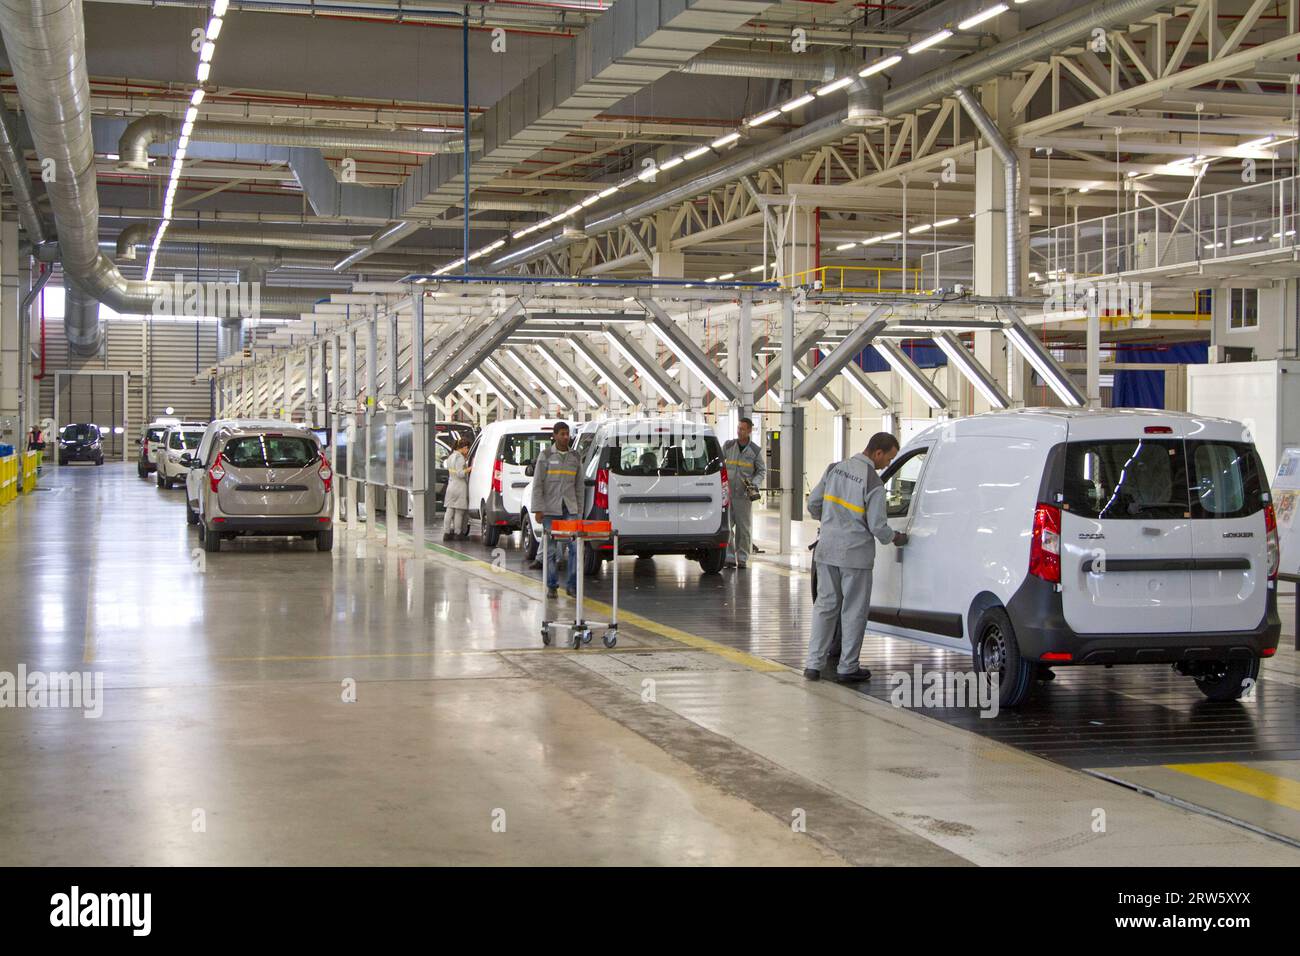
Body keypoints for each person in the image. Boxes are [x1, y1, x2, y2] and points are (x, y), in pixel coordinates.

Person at [803, 432, 906, 683]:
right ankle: (847, 667)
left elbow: (813, 504)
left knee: (825, 607)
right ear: (878, 453)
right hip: (855, 555)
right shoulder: (873, 482)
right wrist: (896, 537)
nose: (887, 465)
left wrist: (830, 523)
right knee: (853, 610)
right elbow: (878, 526)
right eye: (889, 459)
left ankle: (813, 665)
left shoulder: (834, 469)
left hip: (826, 550)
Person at [533, 421, 585, 598]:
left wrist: (579, 512)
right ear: (554, 436)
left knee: (574, 548)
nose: (565, 437)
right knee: (551, 550)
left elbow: (579, 487)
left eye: (567, 433)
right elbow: (538, 484)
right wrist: (538, 509)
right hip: (550, 510)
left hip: (570, 510)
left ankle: (572, 585)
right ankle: (552, 585)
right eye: (562, 434)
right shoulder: (545, 456)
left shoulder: (575, 457)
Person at [722, 417, 766, 569]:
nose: (739, 431)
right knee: (727, 526)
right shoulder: (728, 446)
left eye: (742, 429)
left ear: (749, 431)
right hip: (728, 495)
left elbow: (761, 471)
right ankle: (728, 557)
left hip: (744, 496)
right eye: (738, 428)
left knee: (744, 529)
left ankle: (742, 558)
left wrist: (755, 484)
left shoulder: (755, 450)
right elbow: (720, 465)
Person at [441, 436, 472, 540]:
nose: (467, 451)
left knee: (449, 510)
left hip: (451, 485)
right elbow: (460, 474)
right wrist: (469, 469)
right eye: (467, 449)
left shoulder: (450, 457)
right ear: (464, 448)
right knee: (459, 512)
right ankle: (458, 533)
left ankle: (446, 533)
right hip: (460, 487)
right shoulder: (460, 458)